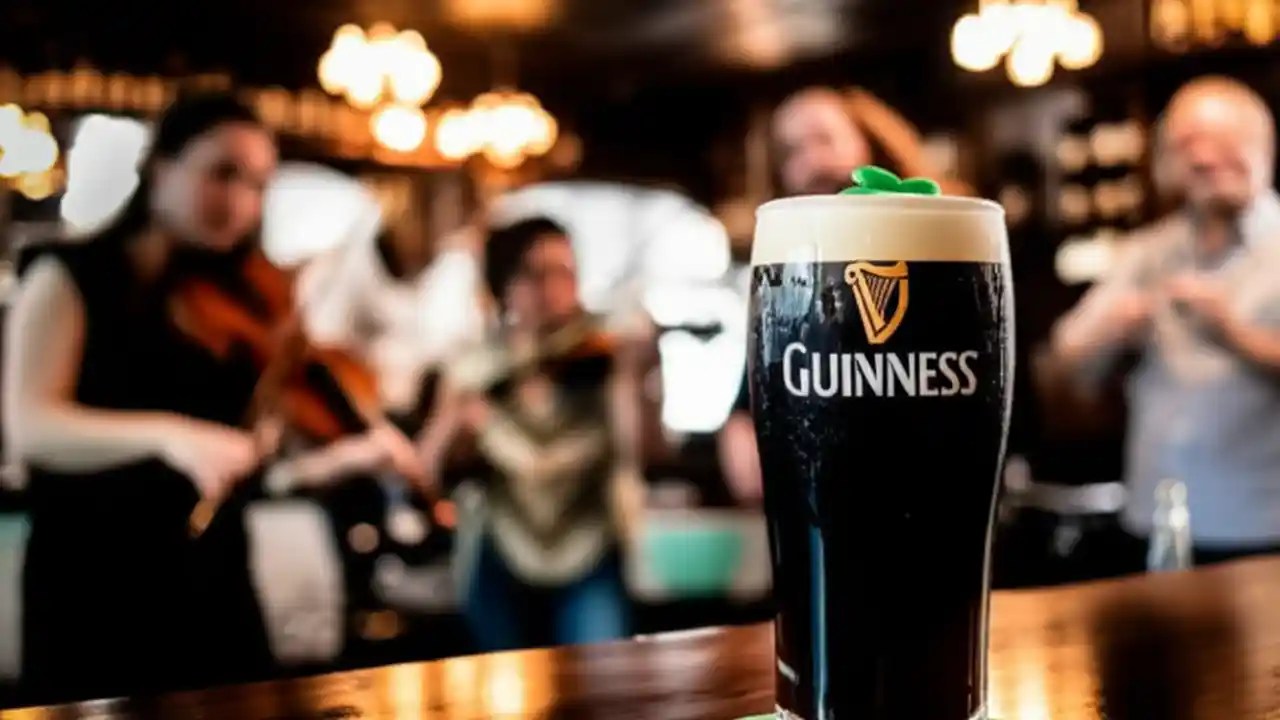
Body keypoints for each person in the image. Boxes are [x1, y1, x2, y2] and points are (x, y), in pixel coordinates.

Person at [2, 92, 414, 702]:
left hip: (213, 581)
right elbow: (30, 425)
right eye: (222, 172)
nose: (240, 202)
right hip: (92, 582)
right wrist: (171, 434)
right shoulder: (69, 276)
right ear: (162, 165)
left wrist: (344, 457)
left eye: (257, 184)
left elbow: (262, 466)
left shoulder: (251, 301)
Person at [1051, 76, 1280, 567]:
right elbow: (1065, 356)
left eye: (1220, 141)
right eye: (1184, 145)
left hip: (1261, 529)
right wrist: (1109, 332)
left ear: (1263, 146)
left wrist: (1234, 334)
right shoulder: (1146, 252)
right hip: (1152, 524)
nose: (1201, 159)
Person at [718, 85, 962, 505]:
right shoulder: (794, 286)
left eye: (824, 139)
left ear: (867, 144)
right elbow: (759, 391)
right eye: (792, 152)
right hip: (833, 503)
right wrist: (740, 436)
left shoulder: (946, 254)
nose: (812, 162)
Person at [417, 217, 644, 652]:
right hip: (500, 558)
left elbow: (634, 451)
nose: (557, 291)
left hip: (588, 553)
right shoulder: (478, 368)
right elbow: (424, 470)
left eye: (568, 274)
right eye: (538, 275)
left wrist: (633, 378)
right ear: (504, 286)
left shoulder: (601, 362)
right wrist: (455, 424)